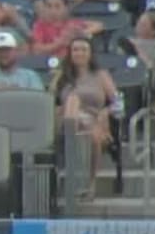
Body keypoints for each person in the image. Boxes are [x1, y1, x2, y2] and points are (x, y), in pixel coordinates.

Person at [50, 35, 118, 197]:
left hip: (94, 121)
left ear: (90, 54)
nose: (79, 53)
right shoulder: (62, 76)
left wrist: (105, 112)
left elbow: (118, 103)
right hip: (66, 121)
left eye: (83, 49)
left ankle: (90, 184)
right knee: (73, 101)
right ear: (70, 53)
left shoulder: (101, 75)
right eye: (75, 50)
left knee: (93, 136)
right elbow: (50, 101)